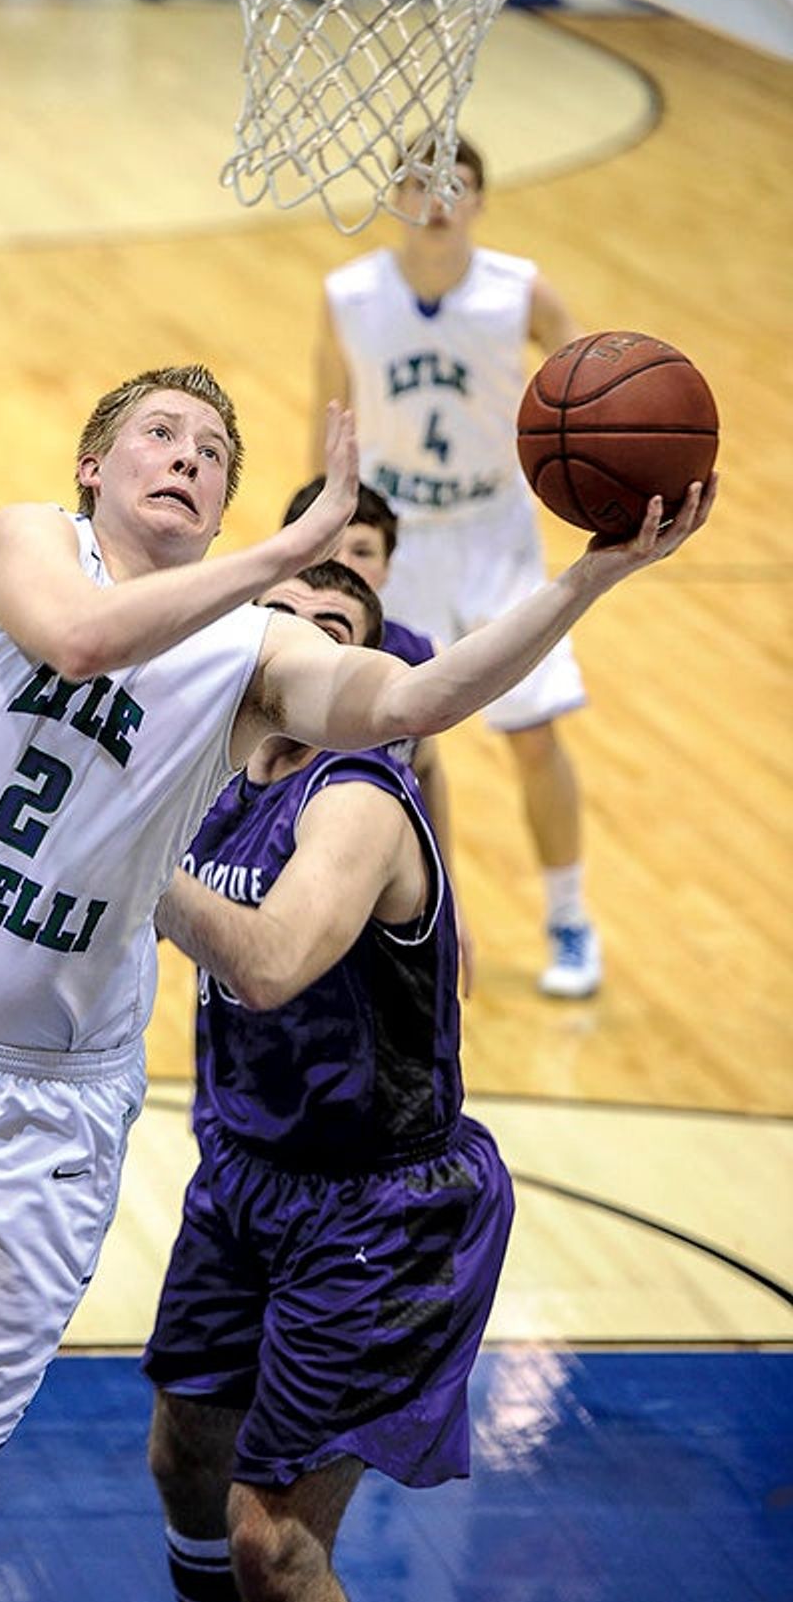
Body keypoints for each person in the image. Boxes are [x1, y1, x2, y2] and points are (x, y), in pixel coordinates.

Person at [0, 362, 711, 1540]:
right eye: (160, 433)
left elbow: (419, 698)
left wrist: (588, 580)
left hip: (45, 1100)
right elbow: (81, 643)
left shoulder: (247, 660)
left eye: (212, 452)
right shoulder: (30, 543)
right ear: (93, 467)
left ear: (227, 505)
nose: (187, 454)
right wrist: (285, 550)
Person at [143, 559, 512, 1602]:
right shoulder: (220, 782)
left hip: (379, 1206)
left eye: (333, 629)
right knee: (185, 1454)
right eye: (282, 621)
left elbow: (263, 963)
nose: (300, 645)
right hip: (247, 1175)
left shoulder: (355, 796)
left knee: (276, 1542)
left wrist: (115, 852)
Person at [317, 135, 602, 998]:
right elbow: (324, 413)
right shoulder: (350, 294)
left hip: (493, 532)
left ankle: (569, 916)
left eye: (457, 184)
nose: (437, 198)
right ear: (394, 196)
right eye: (418, 181)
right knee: (370, 742)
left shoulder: (519, 290)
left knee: (532, 732)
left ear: (481, 198)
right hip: (397, 538)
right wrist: (325, 530)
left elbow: (591, 369)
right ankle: (373, 929)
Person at [281, 473, 474, 988]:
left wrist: (447, 895)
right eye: (330, 545)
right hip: (281, 890)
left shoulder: (413, 656)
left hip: (380, 898)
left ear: (389, 567)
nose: (344, 562)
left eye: (364, 550)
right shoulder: (261, 653)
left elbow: (427, 767)